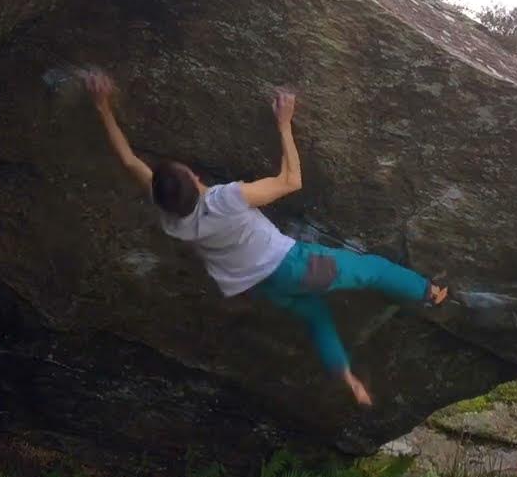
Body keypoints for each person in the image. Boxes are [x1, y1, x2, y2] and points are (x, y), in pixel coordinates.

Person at [83, 71, 447, 406]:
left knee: (318, 317)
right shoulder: (226, 199)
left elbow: (131, 162)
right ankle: (429, 292)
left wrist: (102, 109)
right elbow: (292, 181)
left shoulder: (173, 221)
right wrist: (284, 124)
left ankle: (346, 376)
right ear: (193, 178)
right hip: (295, 266)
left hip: (264, 287)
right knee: (373, 269)